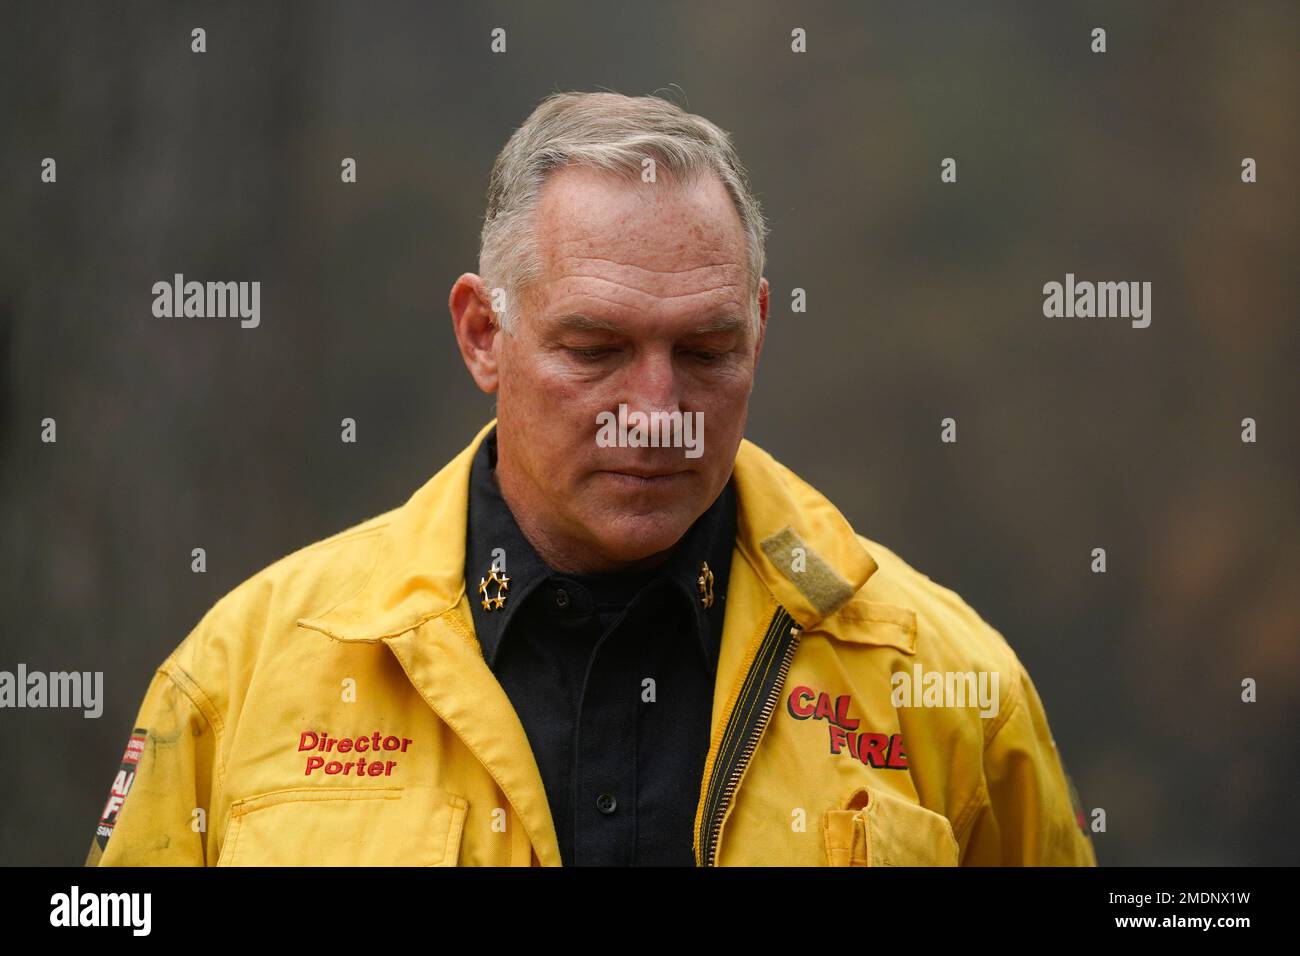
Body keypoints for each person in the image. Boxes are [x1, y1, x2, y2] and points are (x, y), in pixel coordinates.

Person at [87, 91, 1096, 867]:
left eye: (705, 351)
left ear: (759, 328)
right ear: (485, 334)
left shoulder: (947, 686)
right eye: (595, 346)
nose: (654, 407)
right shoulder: (242, 674)